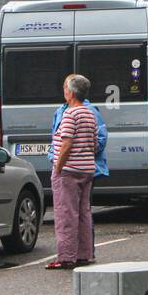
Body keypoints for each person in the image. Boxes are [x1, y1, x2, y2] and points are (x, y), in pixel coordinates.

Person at [46, 74, 99, 270]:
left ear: (72, 92)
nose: (64, 92)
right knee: (84, 213)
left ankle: (66, 257)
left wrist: (58, 167)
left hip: (68, 170)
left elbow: (66, 143)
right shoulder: (90, 113)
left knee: (65, 214)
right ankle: (84, 254)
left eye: (65, 88)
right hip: (87, 168)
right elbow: (94, 143)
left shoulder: (70, 113)